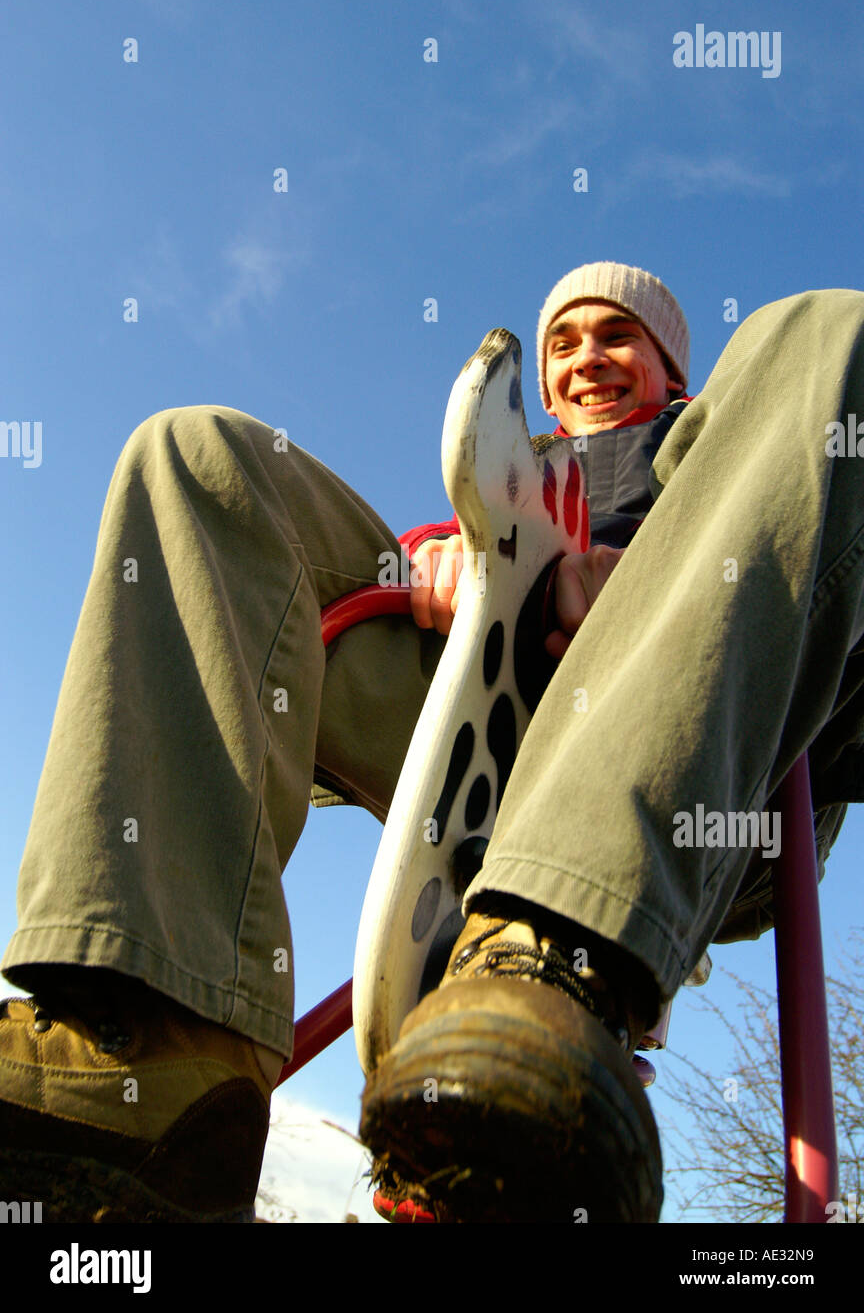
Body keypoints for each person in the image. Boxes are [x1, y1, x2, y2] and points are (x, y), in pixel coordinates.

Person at [1, 263, 861, 1224]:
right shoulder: (519, 468)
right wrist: (437, 558)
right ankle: (144, 1037)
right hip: (484, 709)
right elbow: (443, 561)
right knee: (199, 455)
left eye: (618, 337)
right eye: (564, 345)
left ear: (671, 367)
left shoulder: (718, 439)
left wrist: (652, 579)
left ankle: (547, 961)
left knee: (829, 332)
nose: (587, 360)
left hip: (693, 743)